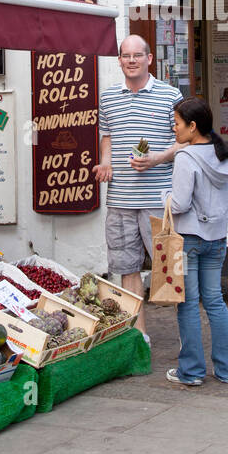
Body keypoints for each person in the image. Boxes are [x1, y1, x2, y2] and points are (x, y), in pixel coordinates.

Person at [93, 34, 184, 343]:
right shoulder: (107, 98)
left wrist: (156, 158)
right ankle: (139, 335)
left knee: (169, 270)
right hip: (120, 198)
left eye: (137, 55)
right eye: (125, 55)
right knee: (126, 268)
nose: (131, 60)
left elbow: (182, 141)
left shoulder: (171, 95)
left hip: (158, 199)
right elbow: (107, 137)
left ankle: (188, 342)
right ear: (119, 60)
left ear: (149, 59)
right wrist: (106, 163)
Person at [162, 97, 228, 386]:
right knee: (216, 302)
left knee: (189, 304)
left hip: (189, 239)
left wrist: (164, 198)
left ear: (193, 127)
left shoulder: (186, 157)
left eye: (178, 123)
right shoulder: (222, 154)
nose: (174, 129)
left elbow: (179, 204)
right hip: (217, 238)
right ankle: (227, 370)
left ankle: (192, 372)